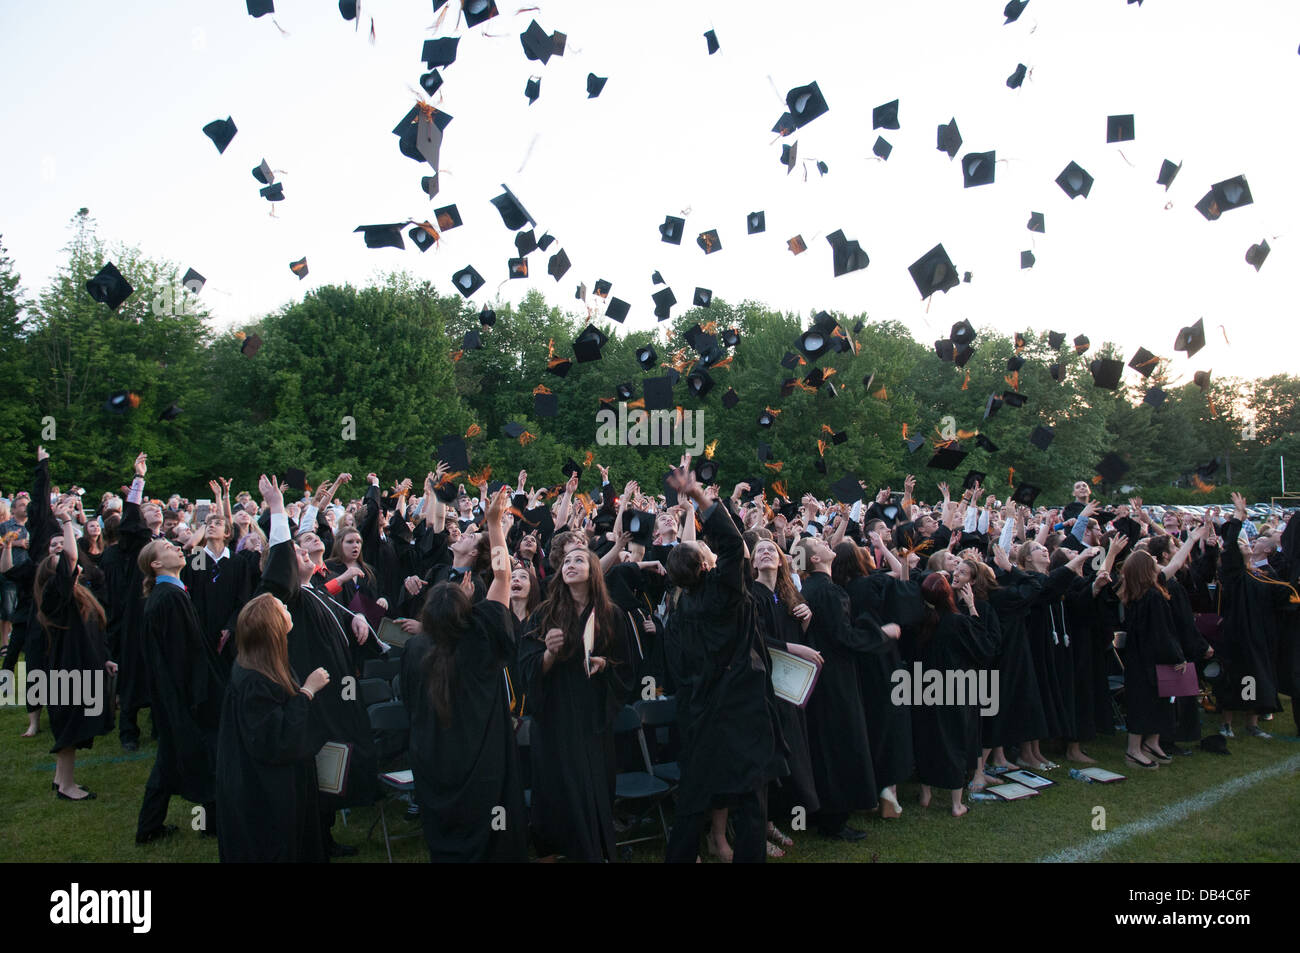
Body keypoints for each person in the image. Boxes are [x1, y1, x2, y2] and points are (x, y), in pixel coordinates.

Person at [401, 486, 529, 862]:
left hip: (433, 757)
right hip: (481, 756)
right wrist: (493, 525)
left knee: (446, 832)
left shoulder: (414, 647)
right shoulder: (481, 635)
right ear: (468, 601)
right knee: (491, 826)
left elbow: (409, 703)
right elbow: (503, 575)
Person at [662, 460, 781, 864]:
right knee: (751, 795)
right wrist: (699, 497)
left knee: (695, 794)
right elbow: (734, 545)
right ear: (705, 567)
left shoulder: (679, 612)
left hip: (699, 706)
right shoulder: (723, 593)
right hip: (740, 703)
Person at [256, 473, 379, 859]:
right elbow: (281, 560)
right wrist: (278, 509)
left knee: (334, 766)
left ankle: (324, 835)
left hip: (337, 694)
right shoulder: (290, 596)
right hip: (314, 696)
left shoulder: (313, 593)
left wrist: (355, 619)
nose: (306, 554)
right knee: (316, 767)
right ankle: (313, 839)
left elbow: (337, 613)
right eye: (298, 553)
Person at [518, 533, 635, 862]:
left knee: (592, 783)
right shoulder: (544, 614)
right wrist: (549, 655)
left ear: (594, 570)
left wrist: (604, 665)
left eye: (579, 560)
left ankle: (592, 850)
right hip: (554, 714)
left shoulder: (611, 614)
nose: (570, 564)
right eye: (567, 561)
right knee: (555, 787)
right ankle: (552, 851)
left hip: (592, 714)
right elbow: (527, 666)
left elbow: (626, 668)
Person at [793, 534, 901, 841]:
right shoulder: (829, 591)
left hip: (813, 678)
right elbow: (845, 636)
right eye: (821, 545)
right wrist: (883, 633)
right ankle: (835, 819)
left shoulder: (808, 590)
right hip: (835, 678)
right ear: (814, 559)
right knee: (840, 742)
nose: (829, 545)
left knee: (821, 743)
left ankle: (820, 812)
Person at [215, 593, 330, 862]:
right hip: (265, 789)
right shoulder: (254, 680)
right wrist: (307, 692)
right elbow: (276, 739)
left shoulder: (263, 666)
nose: (288, 608)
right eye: (282, 608)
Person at [134, 528, 227, 844]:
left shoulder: (172, 593)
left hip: (179, 693)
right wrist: (201, 694)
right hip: (187, 694)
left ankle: (151, 827)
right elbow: (183, 656)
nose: (176, 547)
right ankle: (209, 823)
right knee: (206, 753)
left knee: (170, 760)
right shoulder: (169, 598)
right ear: (156, 565)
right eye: (167, 547)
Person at [34, 499, 117, 799]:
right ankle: (67, 787)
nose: (68, 564)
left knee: (74, 725)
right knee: (70, 728)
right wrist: (68, 521)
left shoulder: (80, 597)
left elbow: (93, 635)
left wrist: (105, 660)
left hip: (84, 666)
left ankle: (60, 779)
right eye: (61, 567)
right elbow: (69, 557)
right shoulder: (54, 599)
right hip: (68, 673)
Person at [911, 574, 997, 817]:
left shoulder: (922, 622)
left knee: (928, 738)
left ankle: (925, 792)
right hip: (956, 688)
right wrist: (971, 606)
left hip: (924, 687)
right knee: (955, 741)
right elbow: (985, 648)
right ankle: (956, 804)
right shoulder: (958, 622)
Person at [1117, 550, 1186, 768]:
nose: (1157, 563)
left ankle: (1151, 743)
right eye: (1153, 561)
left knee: (1155, 702)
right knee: (1144, 703)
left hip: (1139, 657)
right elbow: (1162, 632)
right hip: (1151, 660)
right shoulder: (1152, 597)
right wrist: (1177, 656)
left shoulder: (1136, 594)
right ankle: (1133, 750)